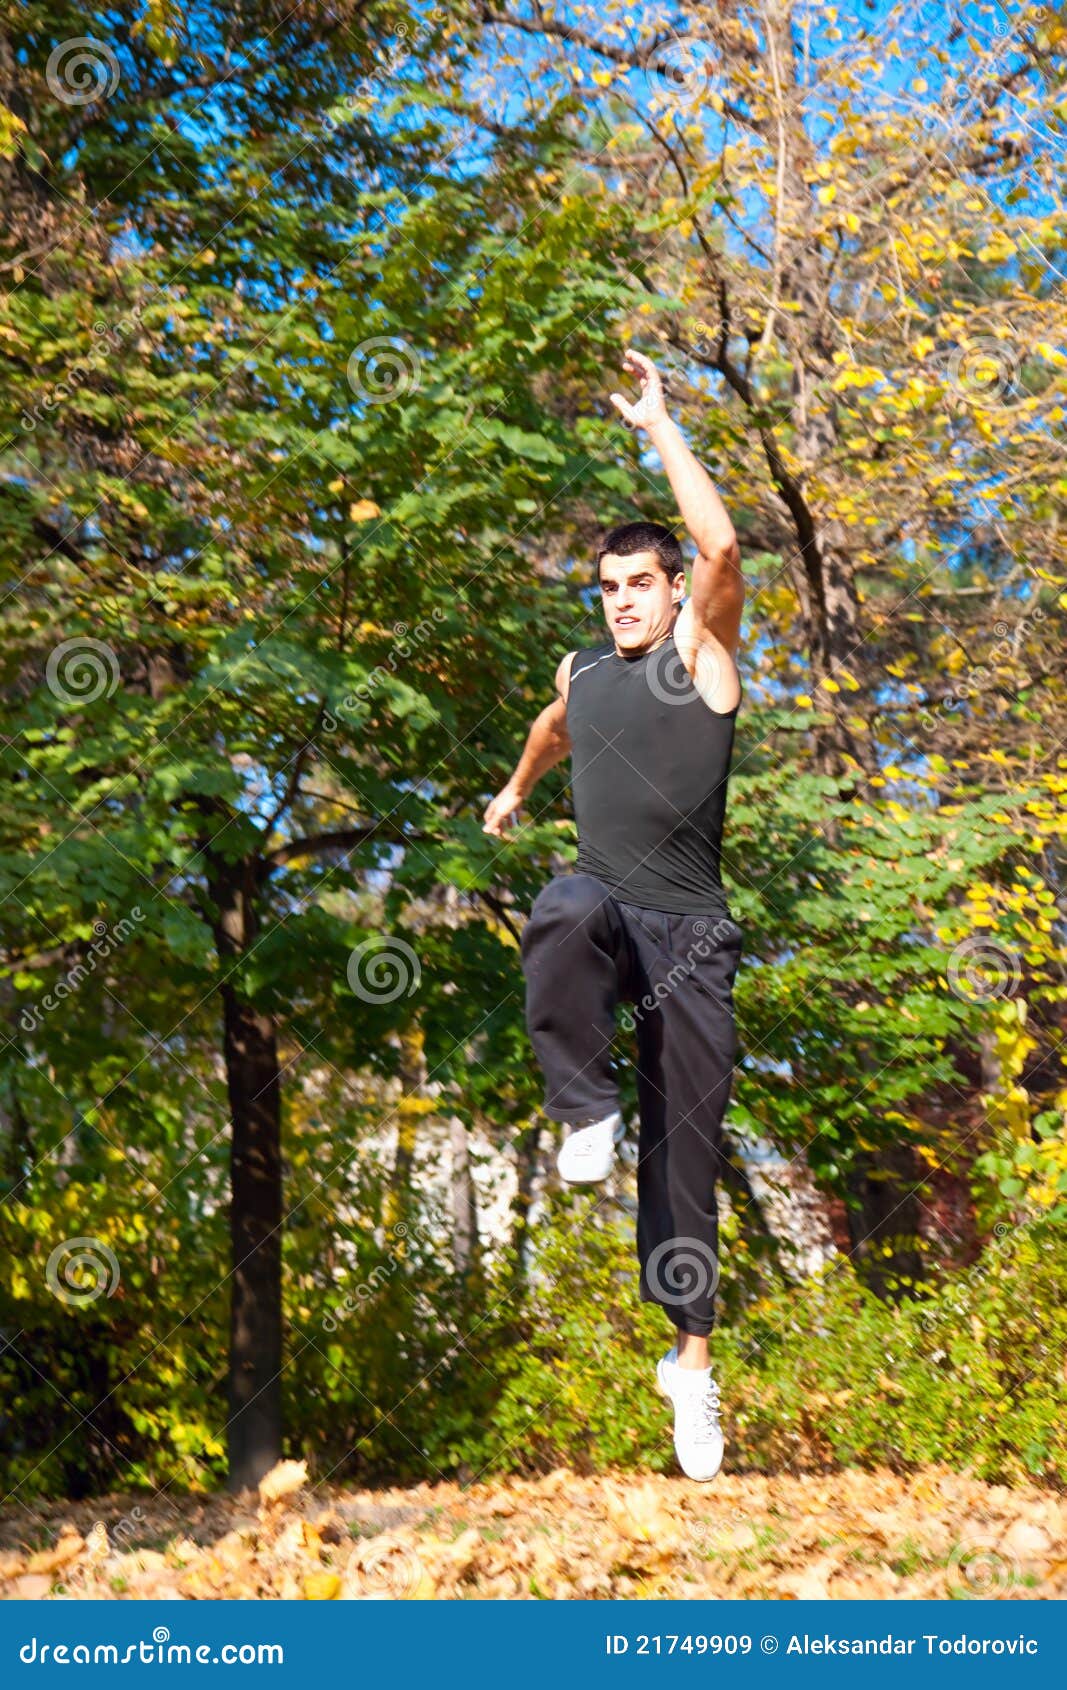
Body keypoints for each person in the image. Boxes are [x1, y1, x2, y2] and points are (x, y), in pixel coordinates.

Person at [482, 347, 744, 1482]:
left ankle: (688, 1363)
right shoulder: (585, 675)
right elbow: (552, 726)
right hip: (609, 920)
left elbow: (724, 543)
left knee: (684, 1166)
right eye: (609, 586)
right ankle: (580, 1105)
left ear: (670, 590)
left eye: (640, 581)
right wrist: (516, 787)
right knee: (563, 902)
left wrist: (658, 423)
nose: (624, 599)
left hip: (690, 942)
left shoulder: (702, 659)